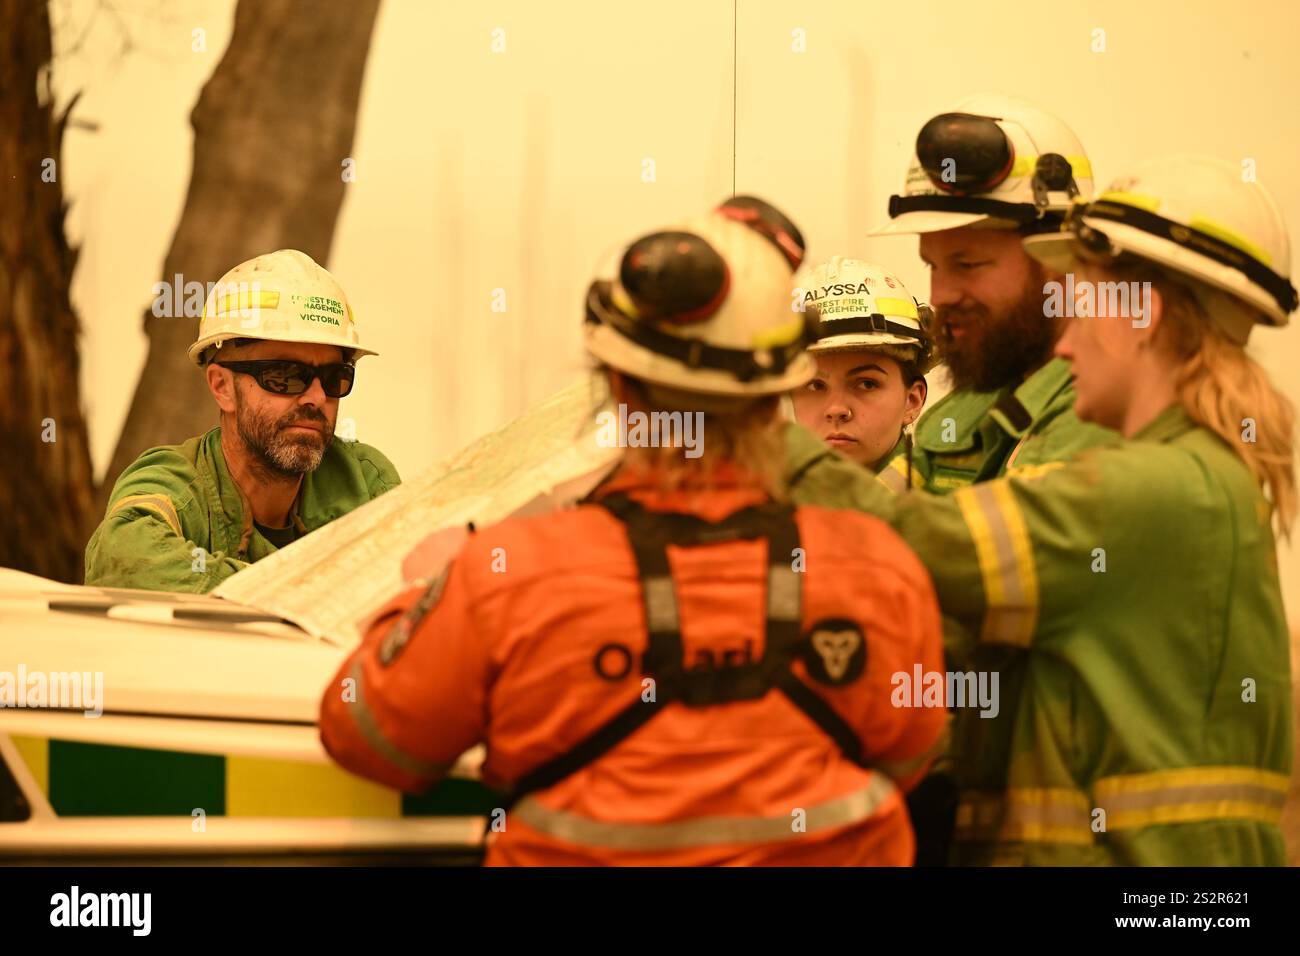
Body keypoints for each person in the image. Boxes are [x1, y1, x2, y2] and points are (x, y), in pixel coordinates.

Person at [319, 198, 947, 866]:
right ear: (779, 395)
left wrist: (427, 585)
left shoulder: (505, 575)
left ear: (618, 389)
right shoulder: (880, 568)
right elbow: (911, 756)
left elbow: (369, 735)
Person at [784, 156, 1297, 865]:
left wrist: (750, 423)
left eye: (1080, 314)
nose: (1062, 344)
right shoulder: (1194, 478)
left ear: (1138, 317)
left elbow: (918, 545)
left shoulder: (1158, 490)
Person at [85, 249, 400, 593]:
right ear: (222, 387)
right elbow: (121, 559)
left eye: (334, 376)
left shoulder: (366, 483)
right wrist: (301, 591)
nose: (316, 397)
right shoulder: (174, 487)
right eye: (285, 375)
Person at [873, 94, 1117, 493]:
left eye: (967, 265)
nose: (941, 294)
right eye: (931, 265)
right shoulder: (962, 410)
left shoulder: (1107, 415)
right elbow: (869, 524)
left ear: (1057, 257)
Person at [790, 257, 933, 488]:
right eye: (815, 385)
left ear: (912, 401)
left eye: (866, 384)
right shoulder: (763, 509)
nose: (837, 410)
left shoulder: (948, 509)